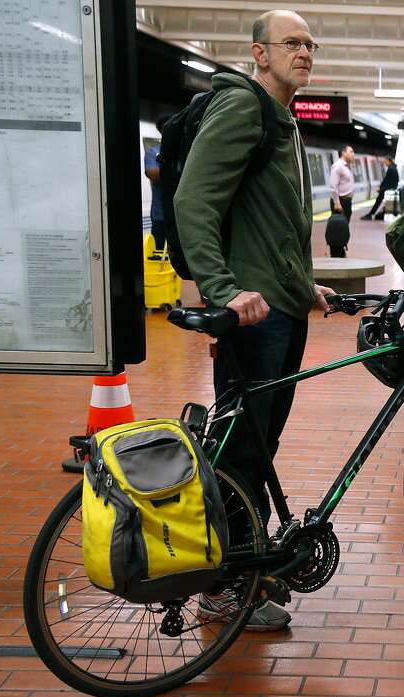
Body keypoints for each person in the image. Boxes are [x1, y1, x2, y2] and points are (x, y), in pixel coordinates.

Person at [174, 9, 335, 631]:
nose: (305, 52)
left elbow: (275, 227)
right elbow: (195, 200)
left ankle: (245, 568)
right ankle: (221, 587)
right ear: (259, 53)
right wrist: (223, 290)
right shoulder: (242, 107)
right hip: (254, 318)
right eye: (292, 43)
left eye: (310, 44)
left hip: (281, 308)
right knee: (242, 450)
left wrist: (304, 285)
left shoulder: (283, 120)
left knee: (258, 445)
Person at [143, 115, 172, 252]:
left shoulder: (185, 150)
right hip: (160, 214)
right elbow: (152, 173)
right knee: (158, 252)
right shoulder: (153, 151)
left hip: (181, 215)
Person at [327, 145, 355, 256]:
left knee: (342, 229)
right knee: (338, 229)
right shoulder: (337, 167)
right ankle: (336, 254)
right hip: (340, 202)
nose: (353, 154)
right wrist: (337, 202)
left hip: (346, 202)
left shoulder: (346, 167)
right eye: (351, 151)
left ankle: (340, 252)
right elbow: (333, 187)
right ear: (343, 153)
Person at [360, 156, 399, 220]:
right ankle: (372, 214)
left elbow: (386, 180)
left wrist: (380, 188)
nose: (384, 163)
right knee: (379, 202)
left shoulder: (391, 169)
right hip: (390, 189)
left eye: (385, 161)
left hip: (387, 189)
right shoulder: (393, 168)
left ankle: (370, 215)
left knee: (378, 202)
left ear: (388, 161)